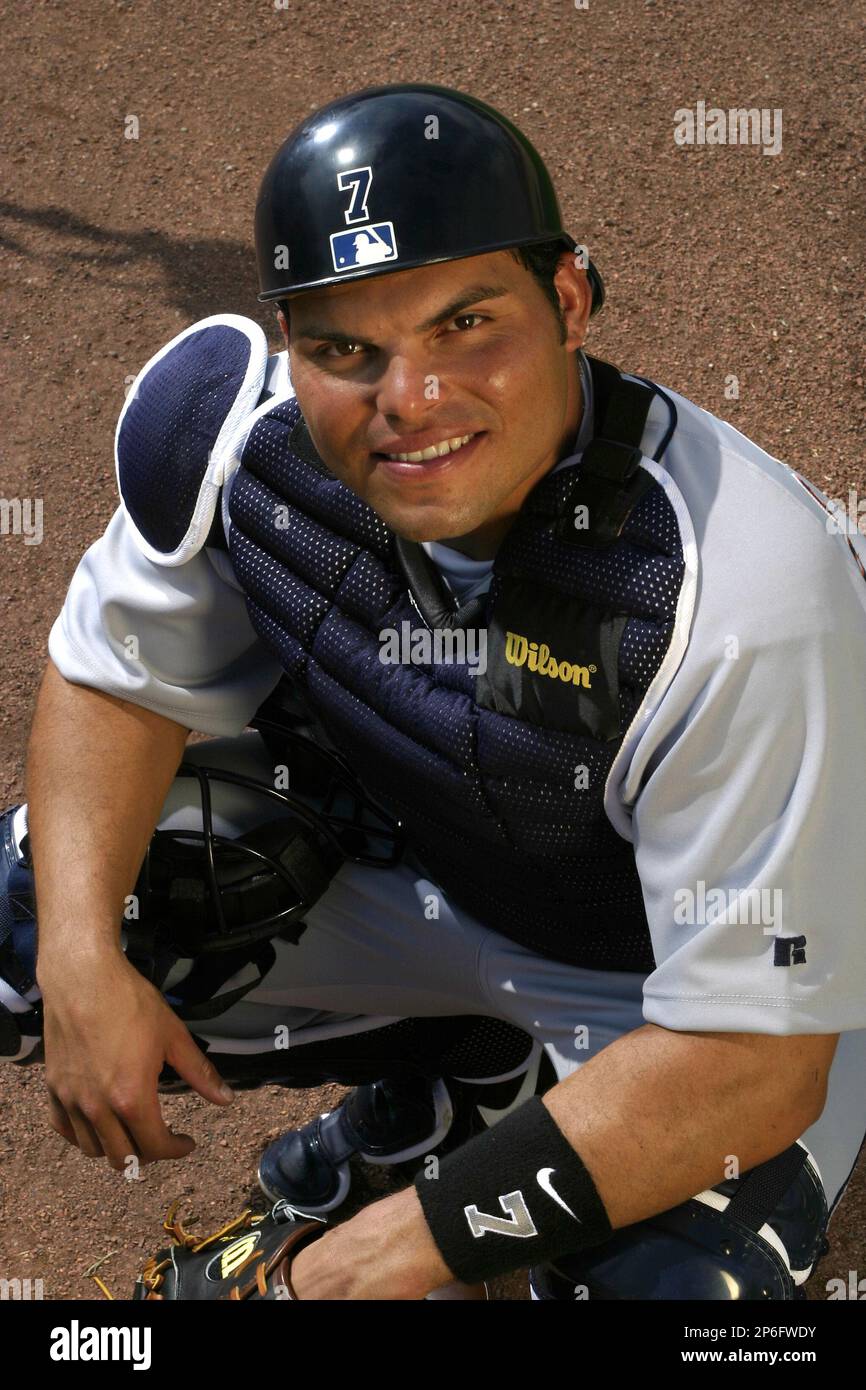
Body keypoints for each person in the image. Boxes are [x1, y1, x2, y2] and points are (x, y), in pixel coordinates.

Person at [2, 83, 865, 1301]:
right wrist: (85, 962)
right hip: (449, 880)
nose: (408, 401)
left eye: (465, 324)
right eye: (345, 347)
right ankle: (462, 1081)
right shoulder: (233, 440)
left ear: (568, 300)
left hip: (715, 1001)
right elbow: (114, 680)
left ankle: (464, 1143)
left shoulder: (742, 589)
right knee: (31, 912)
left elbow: (748, 1068)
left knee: (674, 1299)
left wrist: (359, 1263)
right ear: (289, 339)